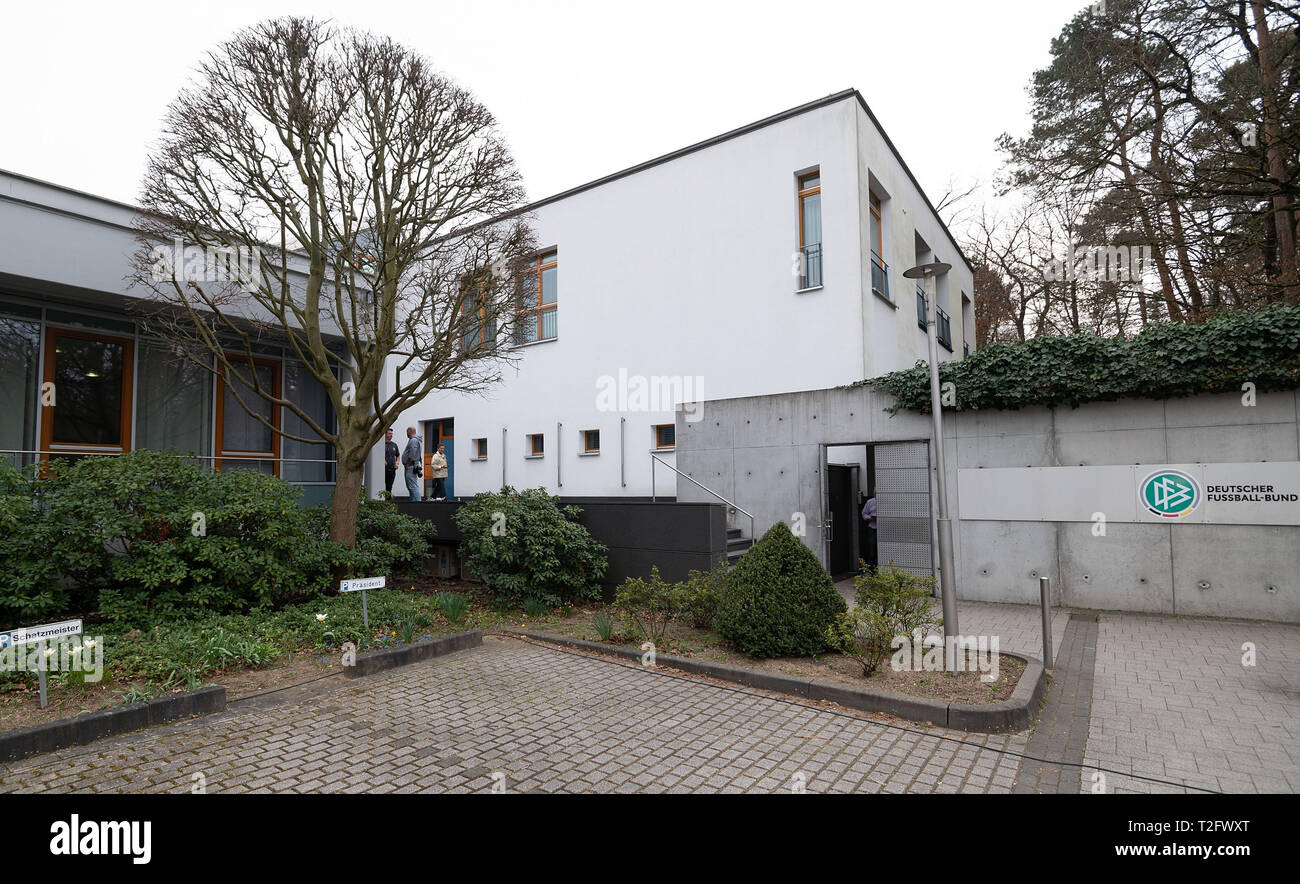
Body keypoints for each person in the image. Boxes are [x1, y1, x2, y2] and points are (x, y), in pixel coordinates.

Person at [402, 426, 423, 501]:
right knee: (411, 486)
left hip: (410, 466)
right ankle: (413, 502)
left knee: (413, 486)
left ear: (409, 431)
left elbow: (413, 453)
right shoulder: (416, 440)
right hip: (412, 465)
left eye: (407, 432)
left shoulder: (413, 440)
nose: (406, 434)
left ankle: (417, 503)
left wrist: (407, 464)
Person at [861, 488, 878, 572]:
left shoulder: (888, 502)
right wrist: (870, 518)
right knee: (872, 551)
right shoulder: (870, 502)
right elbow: (864, 513)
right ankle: (871, 572)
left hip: (885, 530)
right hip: (873, 529)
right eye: (875, 492)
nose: (875, 493)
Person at [383, 428, 400, 497]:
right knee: (382, 486)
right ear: (385, 434)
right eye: (389, 433)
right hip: (383, 470)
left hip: (392, 469)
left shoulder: (394, 445)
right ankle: (381, 501)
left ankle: (388, 501)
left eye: (392, 434)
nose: (391, 435)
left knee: (389, 487)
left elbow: (398, 455)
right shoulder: (381, 444)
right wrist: (382, 460)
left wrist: (397, 463)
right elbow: (377, 454)